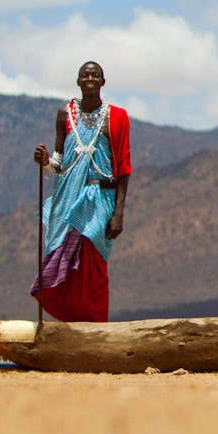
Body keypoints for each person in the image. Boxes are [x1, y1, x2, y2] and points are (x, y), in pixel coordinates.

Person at [30, 61, 132, 322]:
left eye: (95, 75)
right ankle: (71, 323)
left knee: (92, 262)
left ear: (102, 82)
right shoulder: (65, 114)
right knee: (69, 263)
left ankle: (96, 324)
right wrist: (44, 161)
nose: (90, 78)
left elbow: (124, 168)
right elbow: (59, 162)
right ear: (78, 82)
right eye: (85, 75)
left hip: (101, 199)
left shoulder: (116, 117)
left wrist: (118, 213)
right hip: (70, 197)